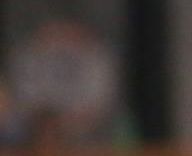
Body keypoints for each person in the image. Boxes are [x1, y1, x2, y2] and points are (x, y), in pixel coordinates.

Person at [11, 17, 119, 147]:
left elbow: (96, 108)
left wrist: (70, 124)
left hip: (87, 139)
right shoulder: (31, 57)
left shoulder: (95, 60)